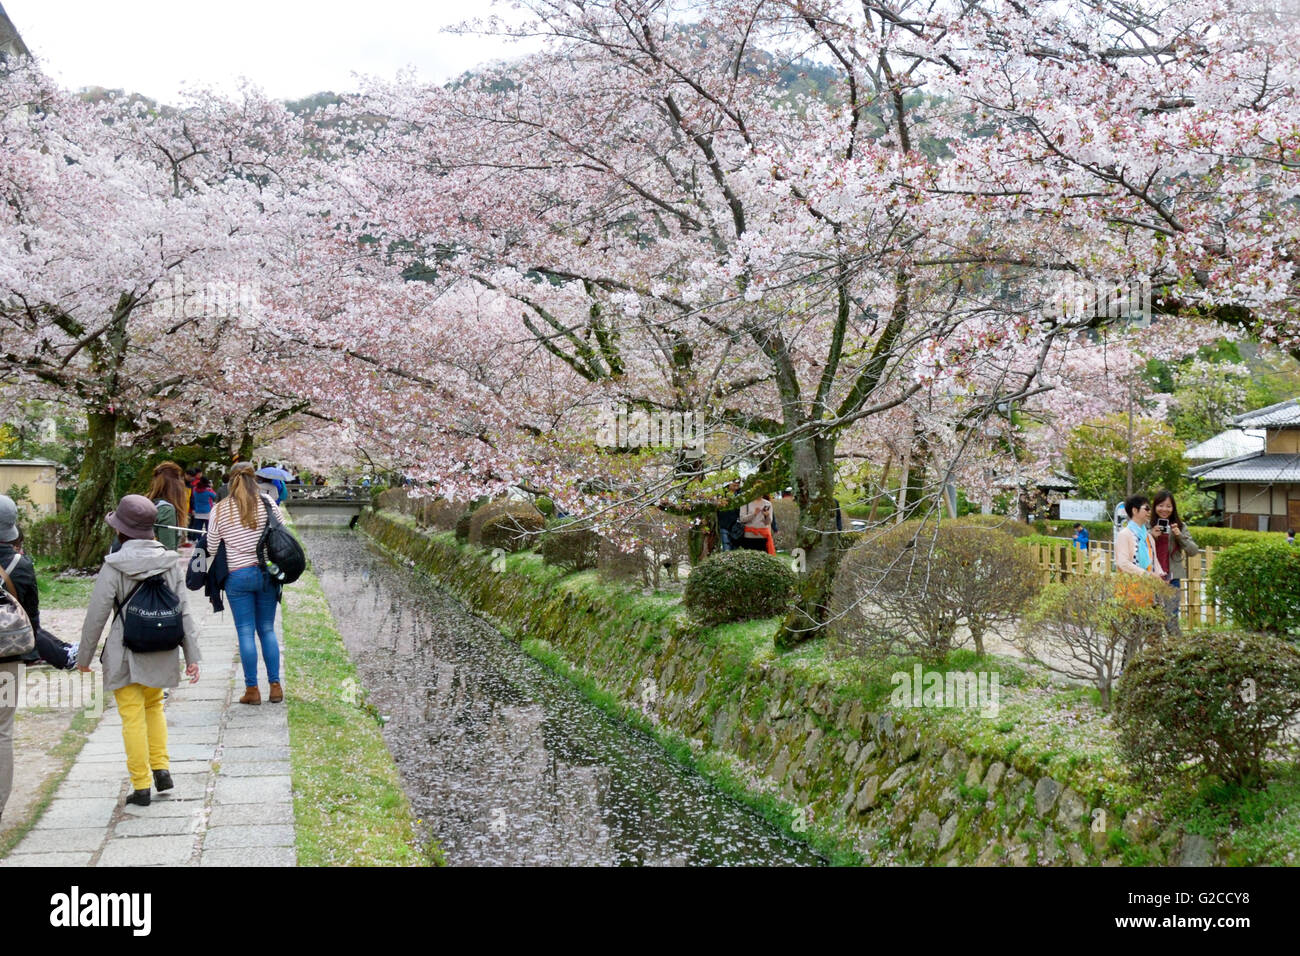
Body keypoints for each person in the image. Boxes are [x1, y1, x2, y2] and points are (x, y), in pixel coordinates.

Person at [77, 495, 201, 807]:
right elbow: (184, 610)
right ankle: (162, 769)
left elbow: (97, 615)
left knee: (131, 715)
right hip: (162, 647)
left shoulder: (114, 566)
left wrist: (84, 656)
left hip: (125, 649)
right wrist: (192, 656)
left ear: (120, 530)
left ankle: (141, 784)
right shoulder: (169, 562)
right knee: (155, 706)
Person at [206, 461, 286, 705]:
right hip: (266, 574)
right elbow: (282, 534)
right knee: (268, 629)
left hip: (237, 576)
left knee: (245, 632)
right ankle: (275, 686)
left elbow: (210, 547)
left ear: (231, 480)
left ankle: (252, 690)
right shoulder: (267, 503)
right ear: (256, 478)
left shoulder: (220, 509)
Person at [0, 512, 78, 669]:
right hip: (9, 649)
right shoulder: (21, 565)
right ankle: (64, 655)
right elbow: (32, 618)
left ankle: (64, 652)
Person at [1150, 490, 1199, 629]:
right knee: (1152, 619)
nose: (1164, 509)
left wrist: (1179, 536)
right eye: (1160, 505)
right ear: (1154, 507)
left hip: (1172, 578)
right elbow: (1137, 548)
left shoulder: (1180, 527)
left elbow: (1193, 551)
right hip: (1150, 577)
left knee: (1171, 617)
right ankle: (1155, 649)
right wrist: (1151, 535)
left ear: (1173, 508)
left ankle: (1173, 648)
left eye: (1168, 506)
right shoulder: (1147, 526)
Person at [1114, 495, 1164, 579]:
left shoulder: (1149, 537)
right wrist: (1146, 574)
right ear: (1134, 510)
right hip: (1129, 586)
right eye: (1146, 509)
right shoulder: (1124, 534)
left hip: (1147, 587)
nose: (1149, 512)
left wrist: (1161, 575)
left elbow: (1154, 561)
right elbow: (1122, 563)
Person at [144, 461, 189, 552]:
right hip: (155, 563)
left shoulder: (146, 502)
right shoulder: (166, 510)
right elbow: (168, 551)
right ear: (177, 485)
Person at [716, 481, 743, 552]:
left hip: (737, 526)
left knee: (735, 551)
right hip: (724, 525)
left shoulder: (741, 494)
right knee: (726, 550)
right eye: (734, 481)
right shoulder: (721, 494)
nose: (737, 483)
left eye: (738, 482)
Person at [189, 477, 216, 543]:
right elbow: (215, 496)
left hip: (197, 511)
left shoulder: (195, 490)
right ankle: (206, 541)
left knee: (198, 528)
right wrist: (210, 488)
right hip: (207, 511)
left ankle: (199, 540)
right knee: (207, 528)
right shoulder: (208, 491)